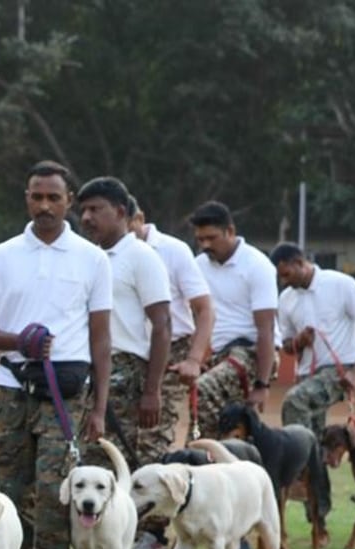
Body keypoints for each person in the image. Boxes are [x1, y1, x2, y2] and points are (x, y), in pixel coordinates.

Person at [0, 160, 112, 549]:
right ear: (26, 199)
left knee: (57, 497)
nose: (45, 205)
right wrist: (18, 341)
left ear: (69, 200)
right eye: (37, 196)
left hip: (65, 394)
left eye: (54, 197)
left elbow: (101, 339)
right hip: (11, 388)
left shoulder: (93, 259)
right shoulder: (0, 256)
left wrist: (98, 407)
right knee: (10, 499)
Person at [75, 177, 172, 468]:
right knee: (86, 463)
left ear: (119, 212)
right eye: (84, 210)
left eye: (95, 209)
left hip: (125, 372)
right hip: (85, 369)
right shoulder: (88, 257)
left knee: (113, 461)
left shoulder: (141, 257)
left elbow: (163, 325)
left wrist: (152, 390)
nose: (86, 218)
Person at [270, 242, 355, 438]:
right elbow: (287, 347)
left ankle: (298, 460)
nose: (283, 281)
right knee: (315, 435)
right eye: (280, 277)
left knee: (294, 401)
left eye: (286, 274)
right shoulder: (285, 298)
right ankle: (314, 464)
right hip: (305, 374)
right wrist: (299, 341)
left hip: (339, 370)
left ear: (300, 262)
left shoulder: (341, 284)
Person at [127, 197, 214, 437]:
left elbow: (204, 309)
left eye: (127, 226)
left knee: (152, 436)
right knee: (119, 436)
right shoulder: (107, 251)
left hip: (171, 351)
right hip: (127, 352)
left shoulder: (173, 250)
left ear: (139, 219)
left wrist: (194, 360)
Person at [189, 201, 279, 431]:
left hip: (252, 352)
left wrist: (262, 384)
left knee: (202, 390)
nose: (205, 245)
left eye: (211, 238)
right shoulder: (198, 266)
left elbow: (266, 329)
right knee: (230, 421)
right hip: (222, 353)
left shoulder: (258, 265)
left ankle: (200, 456)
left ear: (230, 231)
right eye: (200, 240)